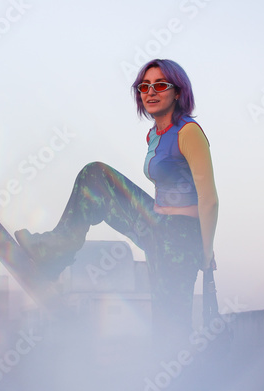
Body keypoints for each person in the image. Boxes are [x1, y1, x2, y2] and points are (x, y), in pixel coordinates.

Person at [15, 58, 218, 331]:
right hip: (155, 226)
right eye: (144, 87)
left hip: (181, 237)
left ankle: (181, 370)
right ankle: (56, 249)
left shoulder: (189, 132)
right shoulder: (154, 136)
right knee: (95, 176)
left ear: (178, 92)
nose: (151, 92)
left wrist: (205, 252)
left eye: (160, 85)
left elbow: (209, 200)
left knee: (170, 323)